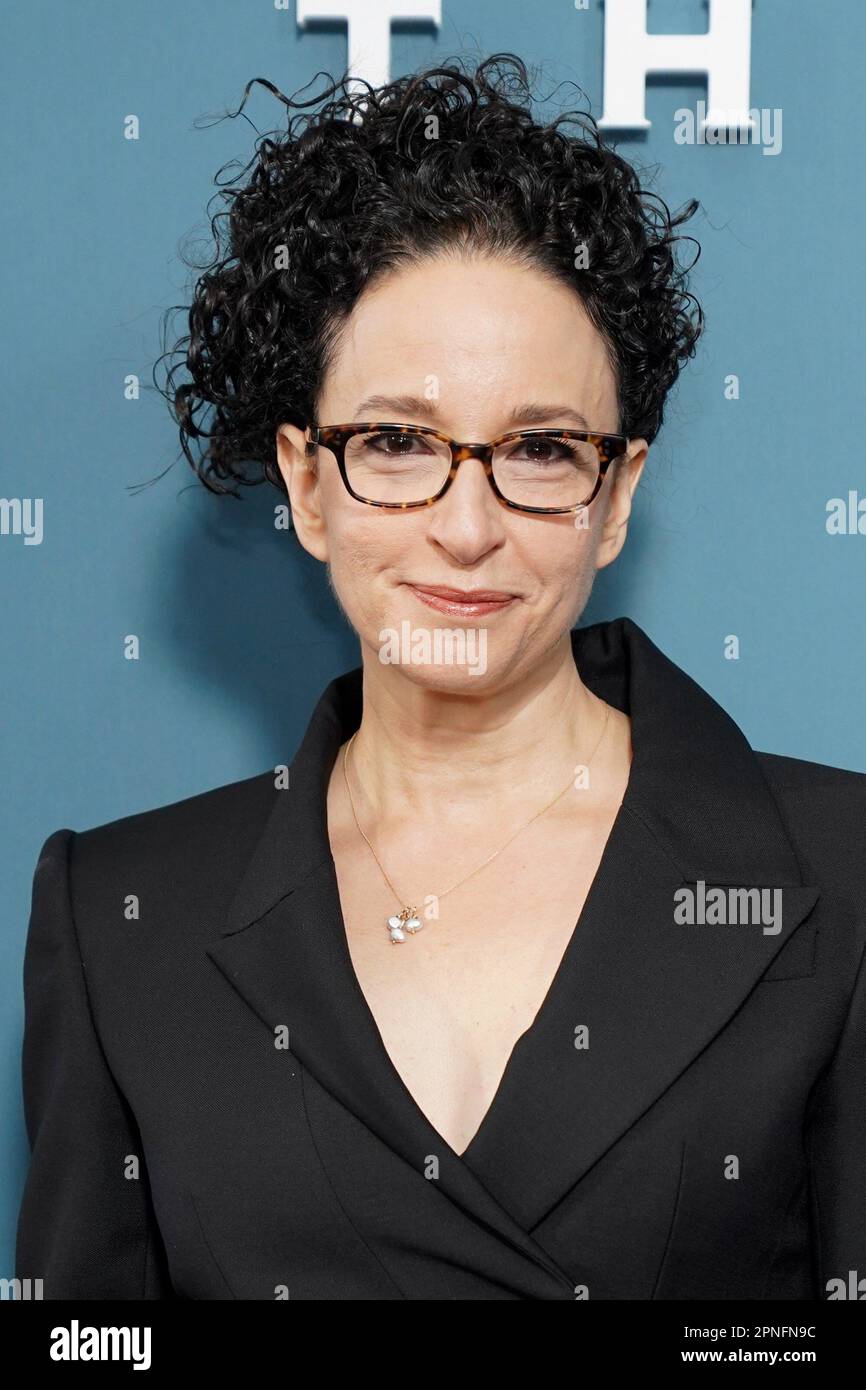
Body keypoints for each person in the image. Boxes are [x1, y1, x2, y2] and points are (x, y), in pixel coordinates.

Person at [16, 54, 866, 1300]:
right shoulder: (121, 917)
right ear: (306, 483)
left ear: (614, 495)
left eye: (536, 448)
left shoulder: (837, 872)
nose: (465, 527)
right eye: (399, 442)